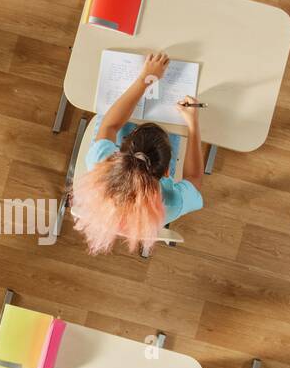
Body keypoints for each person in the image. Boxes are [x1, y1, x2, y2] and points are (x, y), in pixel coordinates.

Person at [71, 51, 204, 255]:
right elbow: (194, 177)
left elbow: (111, 124)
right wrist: (192, 124)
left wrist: (145, 79)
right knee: (172, 125)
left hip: (109, 198)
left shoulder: (101, 166)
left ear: (118, 152)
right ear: (167, 171)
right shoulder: (171, 203)